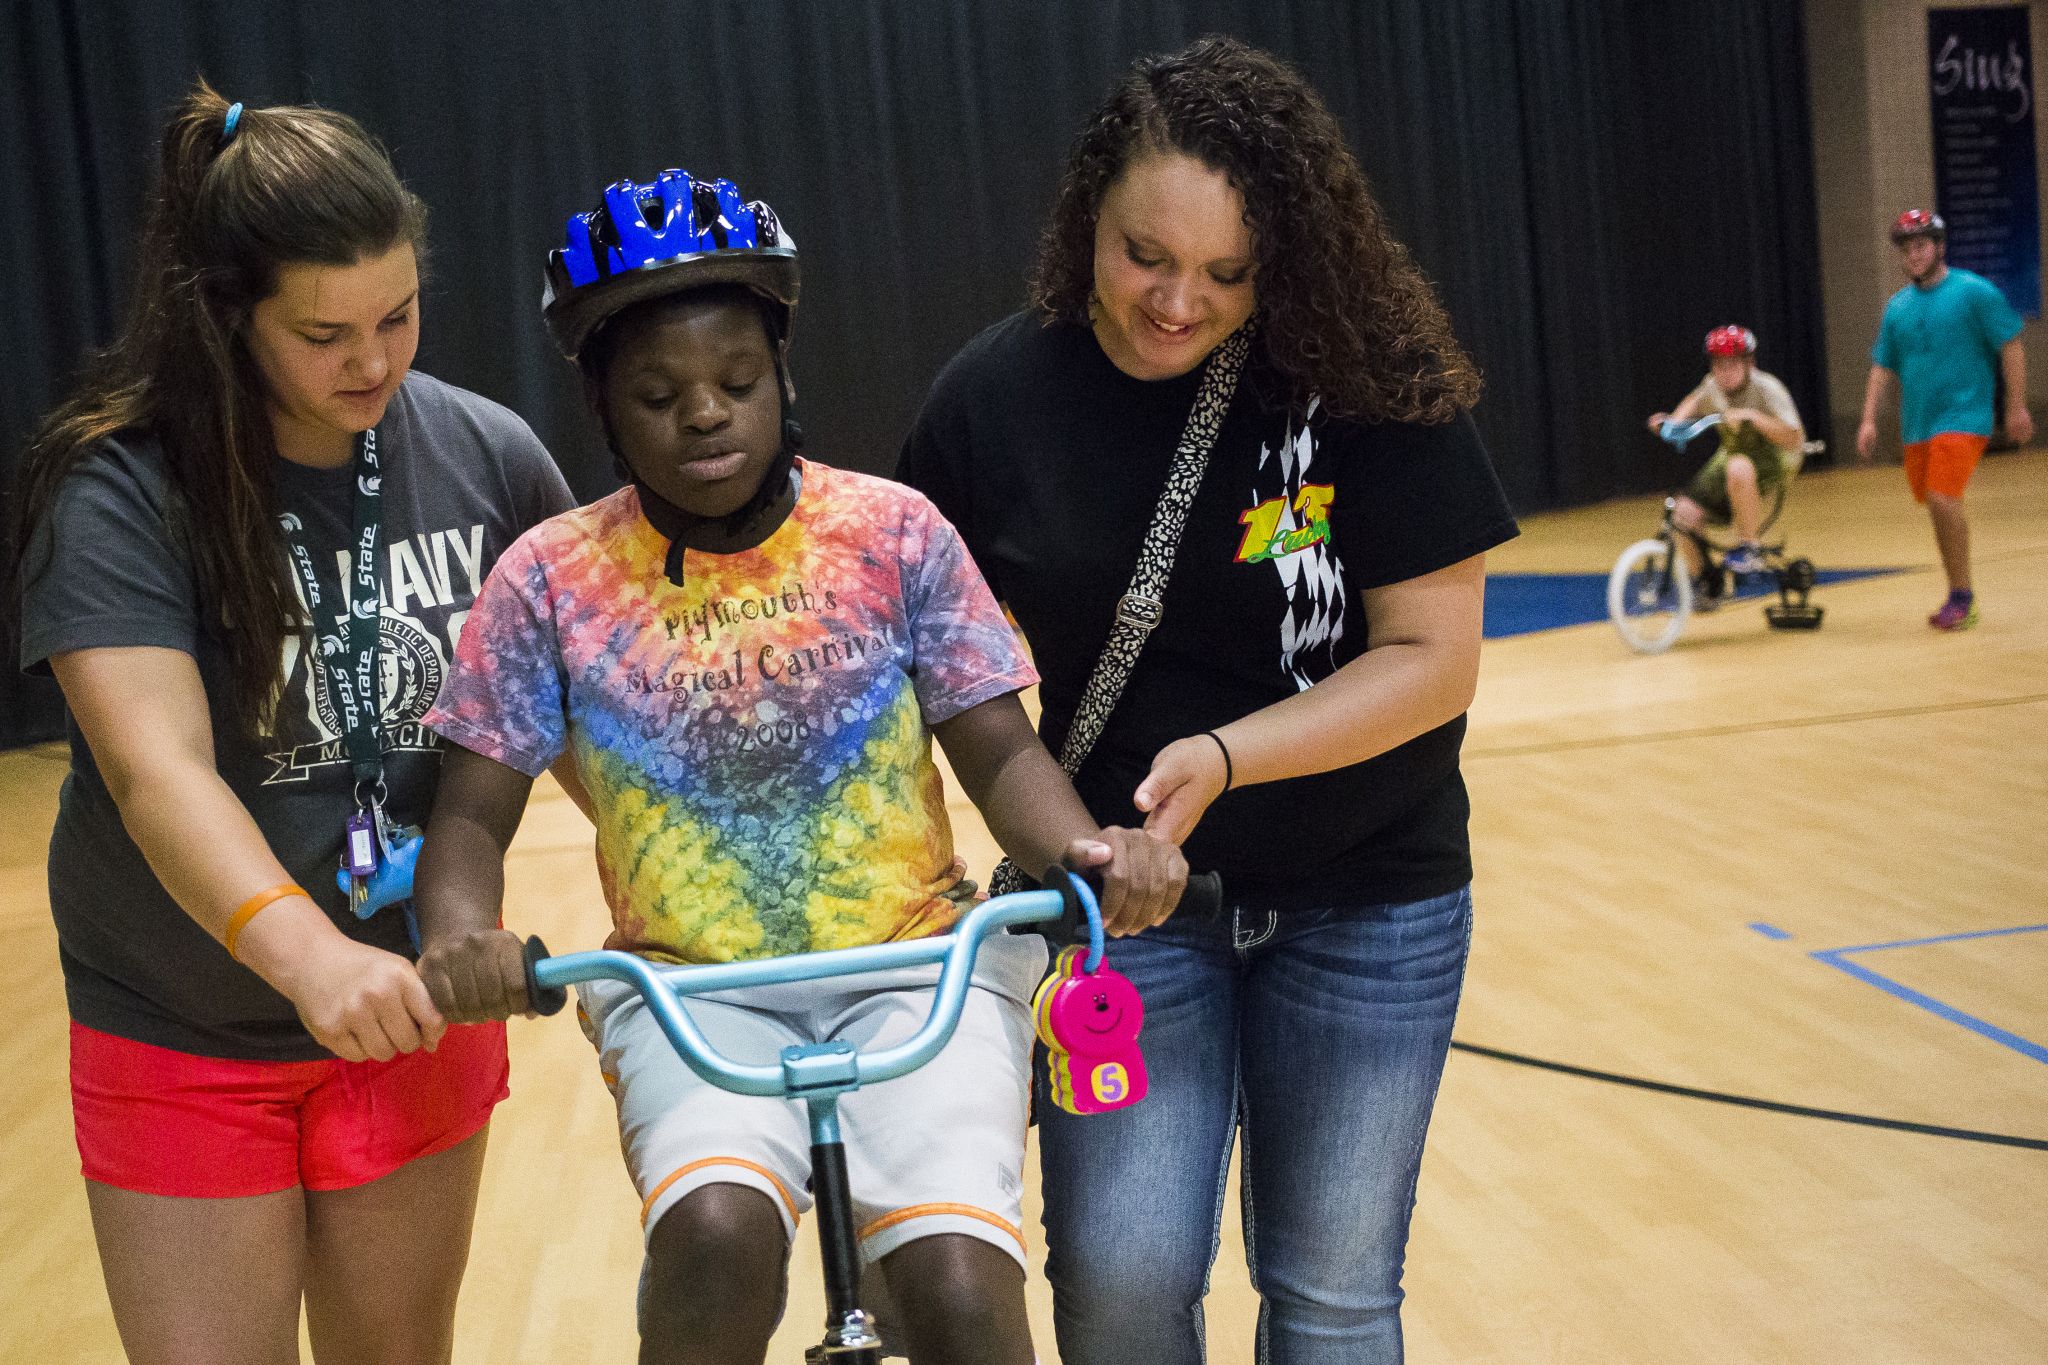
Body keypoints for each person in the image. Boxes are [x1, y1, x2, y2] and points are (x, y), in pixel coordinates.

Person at [409, 165, 1188, 1365]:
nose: (704, 415)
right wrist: (463, 931)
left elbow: (998, 750)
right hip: (691, 993)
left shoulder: (892, 533)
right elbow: (468, 815)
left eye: (735, 382)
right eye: (658, 395)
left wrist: (1084, 857)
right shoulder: (548, 581)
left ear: (782, 376)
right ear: (604, 410)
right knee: (714, 1241)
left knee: (957, 1291)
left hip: (917, 971)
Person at [897, 36, 1518, 1365]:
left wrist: (1225, 756)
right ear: (1088, 214)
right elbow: (925, 663)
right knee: (1119, 1286)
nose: (1178, 302)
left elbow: (1434, 657)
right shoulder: (990, 401)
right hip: (1122, 915)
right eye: (1146, 256)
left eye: (1228, 273)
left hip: (1372, 899)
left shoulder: (1368, 379)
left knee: (1335, 1292)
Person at [2, 83, 575, 1362]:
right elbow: (158, 775)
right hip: (184, 1025)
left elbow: (595, 730)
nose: (373, 362)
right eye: (324, 334)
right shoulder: (118, 488)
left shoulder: (488, 456)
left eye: (398, 315)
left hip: (407, 1011)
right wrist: (312, 959)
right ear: (224, 317)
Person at [1857, 209, 2033, 630]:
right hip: (1918, 424)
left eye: (1921, 246)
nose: (1913, 255)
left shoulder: (1974, 292)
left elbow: (2011, 345)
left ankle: (1962, 596)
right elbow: (1882, 366)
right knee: (1934, 504)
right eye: (1906, 249)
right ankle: (1957, 590)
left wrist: (2016, 407)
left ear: (1939, 247)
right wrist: (1868, 419)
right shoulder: (1898, 307)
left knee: (1942, 497)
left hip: (1965, 416)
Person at [1647, 325, 1806, 591]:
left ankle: (1749, 548)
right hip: (1734, 455)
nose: (1724, 372)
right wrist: (1672, 423)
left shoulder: (1767, 389)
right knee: (1682, 513)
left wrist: (1753, 417)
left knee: (1738, 467)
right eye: (1718, 365)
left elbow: (1794, 438)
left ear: (1749, 364)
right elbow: (1695, 400)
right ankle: (1706, 581)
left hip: (1777, 458)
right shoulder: (1712, 386)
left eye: (1732, 365)